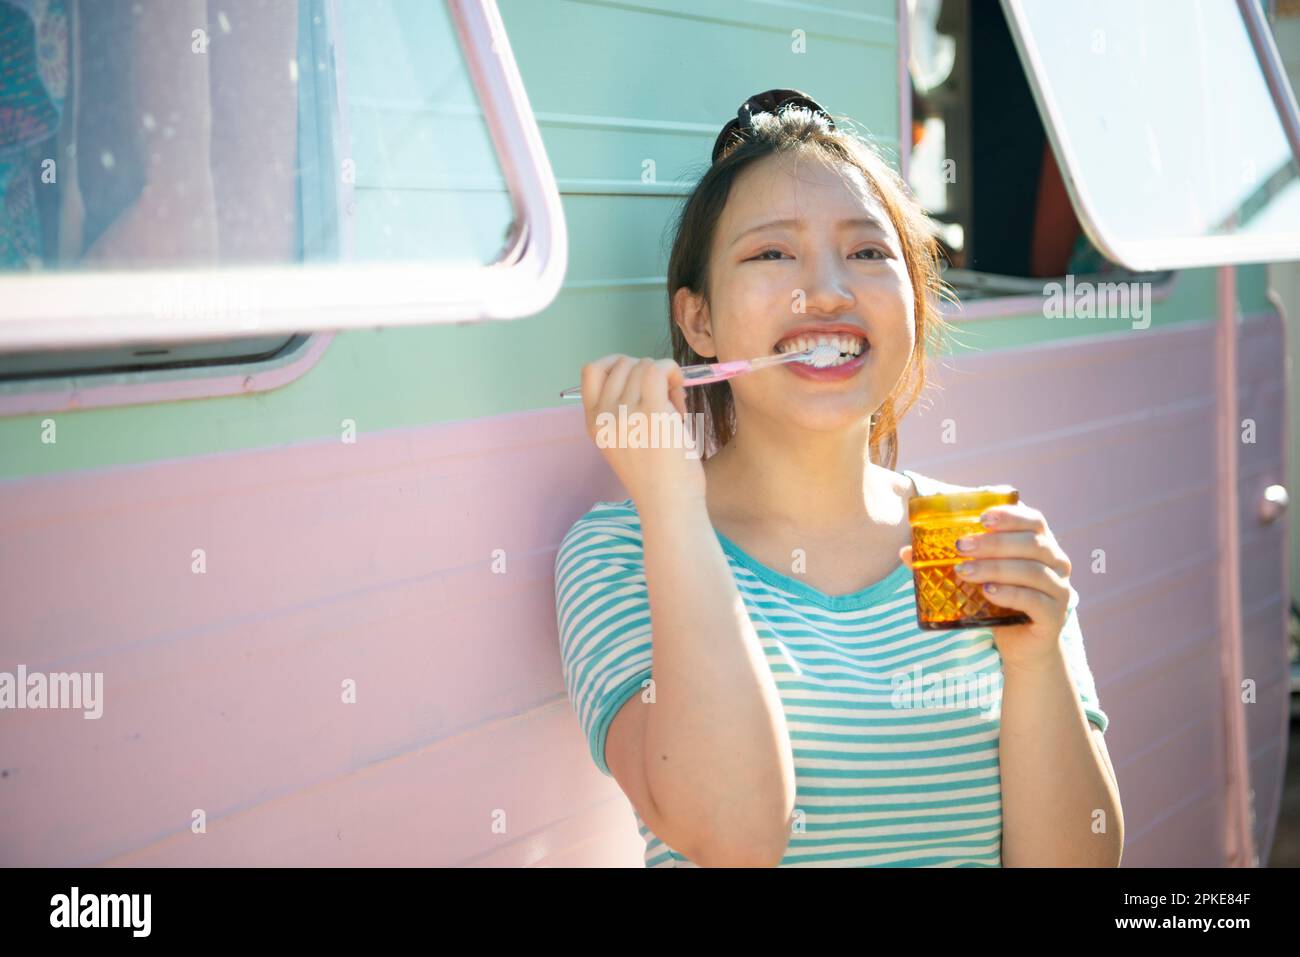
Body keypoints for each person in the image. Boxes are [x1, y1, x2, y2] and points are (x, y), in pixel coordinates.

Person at [553, 90, 1123, 867]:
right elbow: (735, 838)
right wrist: (671, 498)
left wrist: (1036, 658)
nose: (825, 290)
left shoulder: (970, 538)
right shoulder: (623, 550)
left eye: (867, 253)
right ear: (699, 323)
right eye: (771, 253)